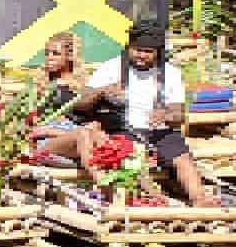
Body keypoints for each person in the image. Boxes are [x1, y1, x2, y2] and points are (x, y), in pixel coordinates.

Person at [70, 20, 217, 206]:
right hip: (121, 130)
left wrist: (166, 115)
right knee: (131, 158)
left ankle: (199, 199)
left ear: (158, 52)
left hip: (159, 132)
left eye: (147, 52)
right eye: (137, 50)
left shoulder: (170, 73)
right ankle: (155, 199)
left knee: (183, 158)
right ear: (129, 47)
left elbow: (179, 114)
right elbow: (80, 104)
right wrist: (101, 92)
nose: (141, 55)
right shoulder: (111, 68)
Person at [25, 31, 101, 166]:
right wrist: (54, 131)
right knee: (83, 135)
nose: (49, 58)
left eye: (55, 53)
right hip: (49, 142)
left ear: (70, 56)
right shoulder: (41, 86)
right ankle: (101, 178)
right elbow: (32, 128)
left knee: (97, 137)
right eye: (47, 53)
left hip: (78, 140)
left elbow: (94, 123)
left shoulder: (84, 88)